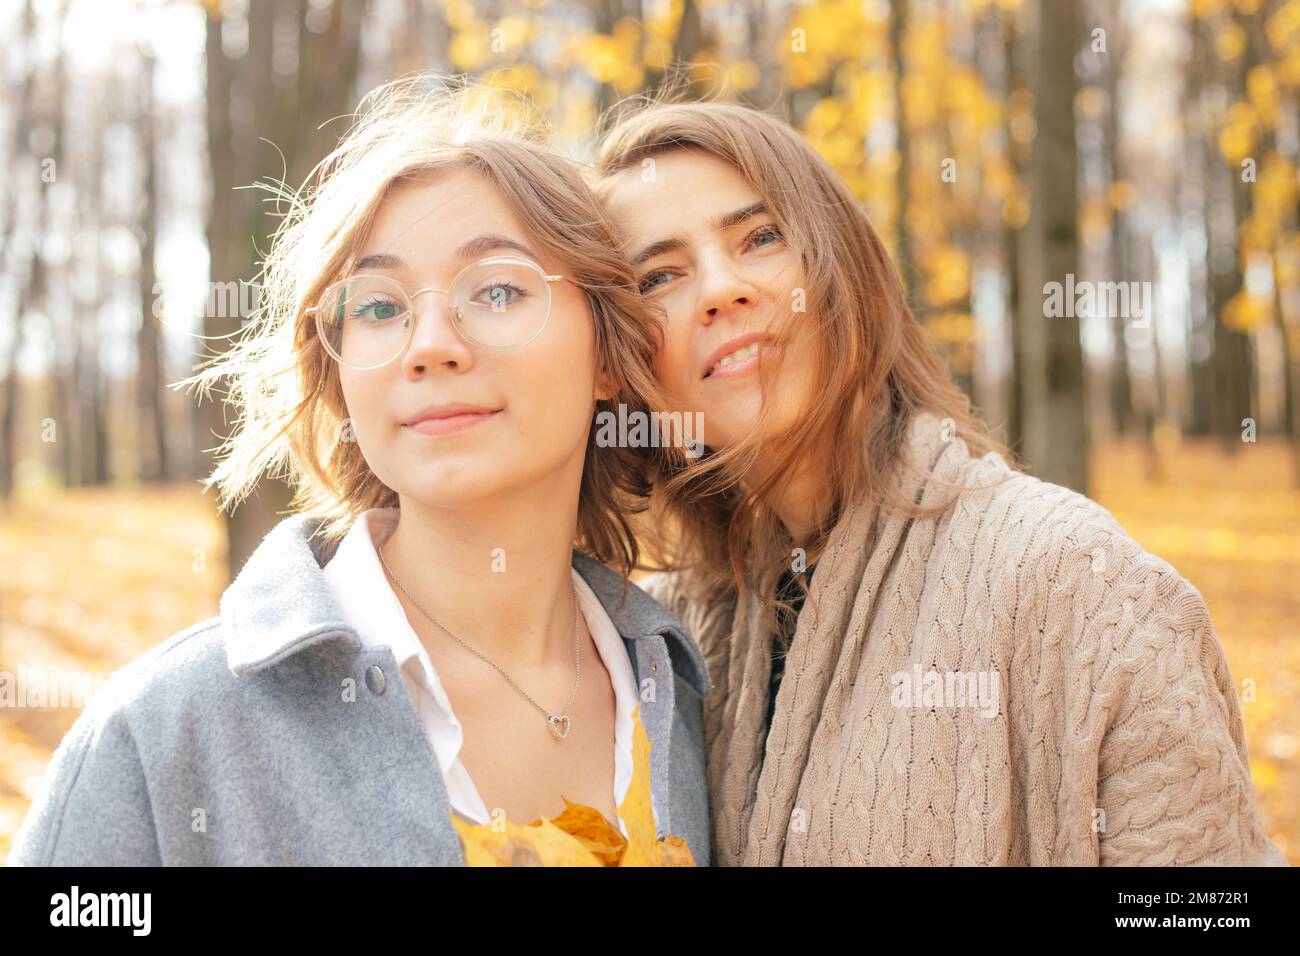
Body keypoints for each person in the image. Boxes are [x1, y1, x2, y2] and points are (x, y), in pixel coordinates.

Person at [8, 75, 710, 866]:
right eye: (378, 306)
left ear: (609, 352)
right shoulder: (165, 731)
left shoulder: (682, 688)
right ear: (340, 375)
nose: (430, 343)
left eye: (500, 289)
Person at [593, 98, 1286, 866]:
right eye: (659, 275)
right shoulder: (661, 643)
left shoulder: (1085, 588)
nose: (722, 289)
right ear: (623, 366)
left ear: (842, 265)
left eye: (760, 237)